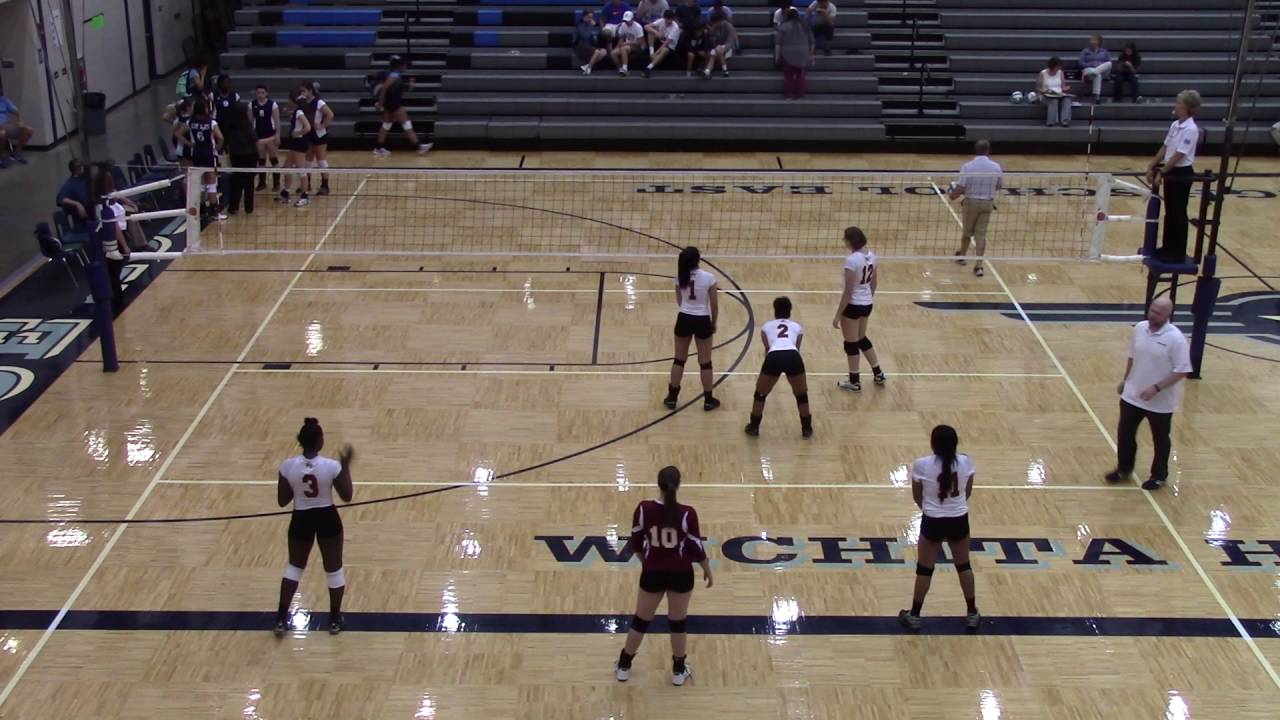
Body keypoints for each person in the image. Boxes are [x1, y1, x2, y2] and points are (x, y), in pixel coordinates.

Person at [615, 466, 712, 686]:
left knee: (640, 621)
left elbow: (636, 542)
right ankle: (678, 670)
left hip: (653, 572)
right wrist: (707, 568)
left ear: (658, 484)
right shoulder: (687, 513)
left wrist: (647, 562)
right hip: (681, 573)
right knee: (678, 623)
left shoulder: (644, 509)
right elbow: (696, 548)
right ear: (679, 485)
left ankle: (624, 665)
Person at [274, 417, 355, 636]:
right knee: (334, 569)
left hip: (301, 518)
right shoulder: (332, 466)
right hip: (327, 517)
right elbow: (347, 495)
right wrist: (346, 467)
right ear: (319, 441)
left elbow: (282, 501)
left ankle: (281, 619)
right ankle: (335, 619)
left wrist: (296, 484)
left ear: (300, 441)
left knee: (294, 567)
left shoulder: (287, 466)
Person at [897, 424, 980, 631]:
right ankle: (972, 613)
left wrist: (930, 510)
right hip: (958, 517)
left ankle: (914, 615)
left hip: (933, 519)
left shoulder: (921, 464)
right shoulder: (965, 461)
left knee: (925, 569)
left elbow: (917, 496)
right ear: (955, 444)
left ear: (933, 444)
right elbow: (966, 492)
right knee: (964, 566)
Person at [1104, 297, 1191, 491]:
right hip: (1132, 395)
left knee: (1160, 439)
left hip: (1160, 402)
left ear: (1168, 315)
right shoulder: (1139, 328)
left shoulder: (1176, 339)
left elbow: (1182, 370)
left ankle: (1159, 475)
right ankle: (1123, 469)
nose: (1153, 315)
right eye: (1152, 310)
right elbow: (1132, 357)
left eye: (1158, 313)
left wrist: (1156, 388)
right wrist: (1126, 381)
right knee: (1125, 434)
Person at [745, 297, 812, 438]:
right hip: (793, 356)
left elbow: (767, 348)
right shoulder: (797, 327)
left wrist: (769, 370)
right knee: (801, 395)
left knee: (760, 394)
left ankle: (754, 427)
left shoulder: (766, 327)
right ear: (790, 311)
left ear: (775, 311)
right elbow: (797, 348)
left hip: (774, 357)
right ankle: (806, 429)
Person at [1146, 90, 1200, 262]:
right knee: (1169, 211)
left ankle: (1177, 251)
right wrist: (1152, 165)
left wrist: (1162, 171)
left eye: (1178, 102)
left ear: (1186, 107)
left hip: (1181, 173)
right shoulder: (1176, 125)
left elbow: (1179, 155)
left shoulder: (1191, 129)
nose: (1175, 105)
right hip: (1171, 170)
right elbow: (1165, 147)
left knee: (1178, 212)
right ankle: (1167, 247)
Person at [665, 246, 720, 411]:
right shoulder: (709, 278)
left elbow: (679, 301)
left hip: (684, 318)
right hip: (702, 319)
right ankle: (708, 400)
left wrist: (688, 310)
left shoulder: (680, 277)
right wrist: (714, 323)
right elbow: (714, 305)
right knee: (705, 363)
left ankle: (672, 398)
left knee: (679, 360)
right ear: (698, 259)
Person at [833, 226, 885, 392]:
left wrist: (837, 315)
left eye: (845, 239)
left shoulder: (851, 261)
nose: (844, 242)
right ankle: (878, 373)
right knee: (861, 339)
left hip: (853, 306)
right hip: (867, 304)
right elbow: (874, 283)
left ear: (850, 241)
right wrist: (867, 299)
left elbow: (848, 291)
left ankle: (854, 381)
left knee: (851, 344)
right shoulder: (872, 256)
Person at [949, 139, 1003, 278]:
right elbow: (998, 186)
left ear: (975, 150)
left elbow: (961, 187)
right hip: (987, 203)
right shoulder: (996, 167)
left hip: (971, 202)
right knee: (981, 235)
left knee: (967, 232)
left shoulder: (968, 166)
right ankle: (979, 266)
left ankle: (962, 256)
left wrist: (953, 195)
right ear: (988, 151)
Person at [175, 98, 225, 220]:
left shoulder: (190, 122)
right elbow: (221, 137)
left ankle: (201, 211)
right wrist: (217, 147)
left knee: (201, 183)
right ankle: (214, 212)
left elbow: (178, 134)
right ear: (206, 109)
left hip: (196, 154)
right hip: (208, 154)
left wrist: (189, 144)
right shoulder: (211, 122)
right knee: (212, 184)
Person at [90, 164, 130, 315]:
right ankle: (117, 304)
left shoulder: (110, 197)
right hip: (113, 241)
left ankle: (116, 302)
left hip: (119, 236)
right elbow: (115, 228)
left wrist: (128, 202)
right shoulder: (103, 207)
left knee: (114, 274)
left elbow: (117, 194)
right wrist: (125, 246)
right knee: (113, 274)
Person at [373, 56, 431, 157]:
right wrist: (380, 104)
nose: (405, 66)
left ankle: (379, 148)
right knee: (406, 124)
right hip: (394, 105)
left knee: (386, 125)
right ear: (399, 65)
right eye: (403, 64)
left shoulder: (395, 76)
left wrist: (410, 86)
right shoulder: (394, 76)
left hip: (390, 104)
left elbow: (397, 89)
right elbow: (384, 90)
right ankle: (419, 147)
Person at [222, 101, 259, 216]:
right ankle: (249, 208)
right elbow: (255, 141)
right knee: (249, 182)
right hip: (250, 156)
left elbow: (226, 143)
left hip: (236, 156)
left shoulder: (229, 125)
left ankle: (233, 207)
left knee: (236, 182)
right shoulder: (247, 126)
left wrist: (229, 154)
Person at [279, 88, 313, 207]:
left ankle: (305, 196)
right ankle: (286, 193)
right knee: (286, 167)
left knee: (301, 170)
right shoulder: (296, 111)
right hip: (295, 143)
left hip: (299, 143)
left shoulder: (299, 112)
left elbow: (308, 127)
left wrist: (297, 133)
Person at [775, 7, 813, 100]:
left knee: (788, 76)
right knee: (800, 75)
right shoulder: (805, 26)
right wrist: (810, 55)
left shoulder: (783, 26)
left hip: (788, 54)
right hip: (802, 53)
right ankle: (799, 95)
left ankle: (788, 95)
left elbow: (778, 44)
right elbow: (812, 42)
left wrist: (777, 57)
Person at [303, 82, 334, 195]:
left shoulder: (319, 102)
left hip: (319, 135)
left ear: (310, 91)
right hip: (307, 134)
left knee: (321, 160)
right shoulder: (302, 103)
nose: (302, 93)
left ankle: (325, 186)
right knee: (307, 161)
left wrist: (322, 125)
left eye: (304, 91)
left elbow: (330, 114)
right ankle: (307, 184)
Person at [252, 85, 282, 192]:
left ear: (266, 93)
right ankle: (262, 182)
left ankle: (276, 182)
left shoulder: (272, 105)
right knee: (261, 160)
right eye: (258, 92)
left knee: (274, 159)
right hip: (259, 136)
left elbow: (277, 121)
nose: (260, 95)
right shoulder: (252, 104)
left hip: (271, 135)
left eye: (262, 92)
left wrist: (278, 135)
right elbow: (250, 121)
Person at [1035, 56, 1073, 128]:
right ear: (1052, 66)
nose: (1058, 69)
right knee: (1053, 100)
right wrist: (1045, 91)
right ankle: (1051, 122)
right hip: (1046, 95)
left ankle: (1065, 121)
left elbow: (1063, 87)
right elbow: (1038, 88)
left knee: (1067, 100)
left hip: (1059, 94)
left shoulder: (1060, 73)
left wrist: (1066, 89)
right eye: (1057, 67)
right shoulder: (1042, 73)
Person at [642, 9, 681, 77]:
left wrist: (656, 53)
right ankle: (651, 52)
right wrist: (656, 32)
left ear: (673, 19)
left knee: (664, 50)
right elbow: (646, 26)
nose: (668, 21)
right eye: (667, 19)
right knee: (650, 33)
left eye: (670, 19)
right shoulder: (661, 21)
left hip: (670, 47)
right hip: (660, 40)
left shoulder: (675, 28)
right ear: (664, 18)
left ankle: (648, 68)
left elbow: (666, 43)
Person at [56, 159, 93, 229]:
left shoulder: (86, 179)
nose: (84, 169)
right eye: (82, 167)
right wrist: (78, 204)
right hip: (83, 222)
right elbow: (61, 198)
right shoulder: (70, 184)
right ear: (77, 170)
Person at [0, 93, 33, 167]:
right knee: (1, 134)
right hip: (1, 129)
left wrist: (20, 121)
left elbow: (16, 111)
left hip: (6, 126)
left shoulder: (4, 100)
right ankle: (1, 158)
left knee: (28, 130)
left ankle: (16, 153)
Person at [1078, 34, 1112, 104]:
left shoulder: (1104, 51)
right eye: (1091, 40)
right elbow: (1080, 63)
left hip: (1100, 70)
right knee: (1098, 75)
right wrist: (1091, 64)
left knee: (1109, 64)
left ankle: (1096, 71)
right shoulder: (1085, 51)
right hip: (1088, 70)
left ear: (1098, 42)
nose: (1091, 41)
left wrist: (1100, 64)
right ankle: (1097, 98)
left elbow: (1108, 63)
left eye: (1093, 40)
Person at [610, 12, 646, 76]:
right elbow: (621, 38)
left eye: (628, 20)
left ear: (632, 19)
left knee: (623, 48)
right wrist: (617, 47)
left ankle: (625, 69)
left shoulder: (638, 27)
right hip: (627, 45)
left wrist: (628, 43)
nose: (627, 22)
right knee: (613, 53)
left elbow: (640, 41)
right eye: (625, 20)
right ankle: (620, 69)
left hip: (637, 46)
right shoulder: (623, 25)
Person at [704, 11, 738, 78]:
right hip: (717, 47)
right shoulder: (713, 27)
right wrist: (716, 46)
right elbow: (712, 40)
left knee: (717, 53)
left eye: (715, 22)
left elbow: (730, 42)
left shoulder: (729, 27)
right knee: (714, 53)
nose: (714, 24)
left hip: (728, 48)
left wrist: (723, 48)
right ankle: (722, 71)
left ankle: (708, 71)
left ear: (720, 21)